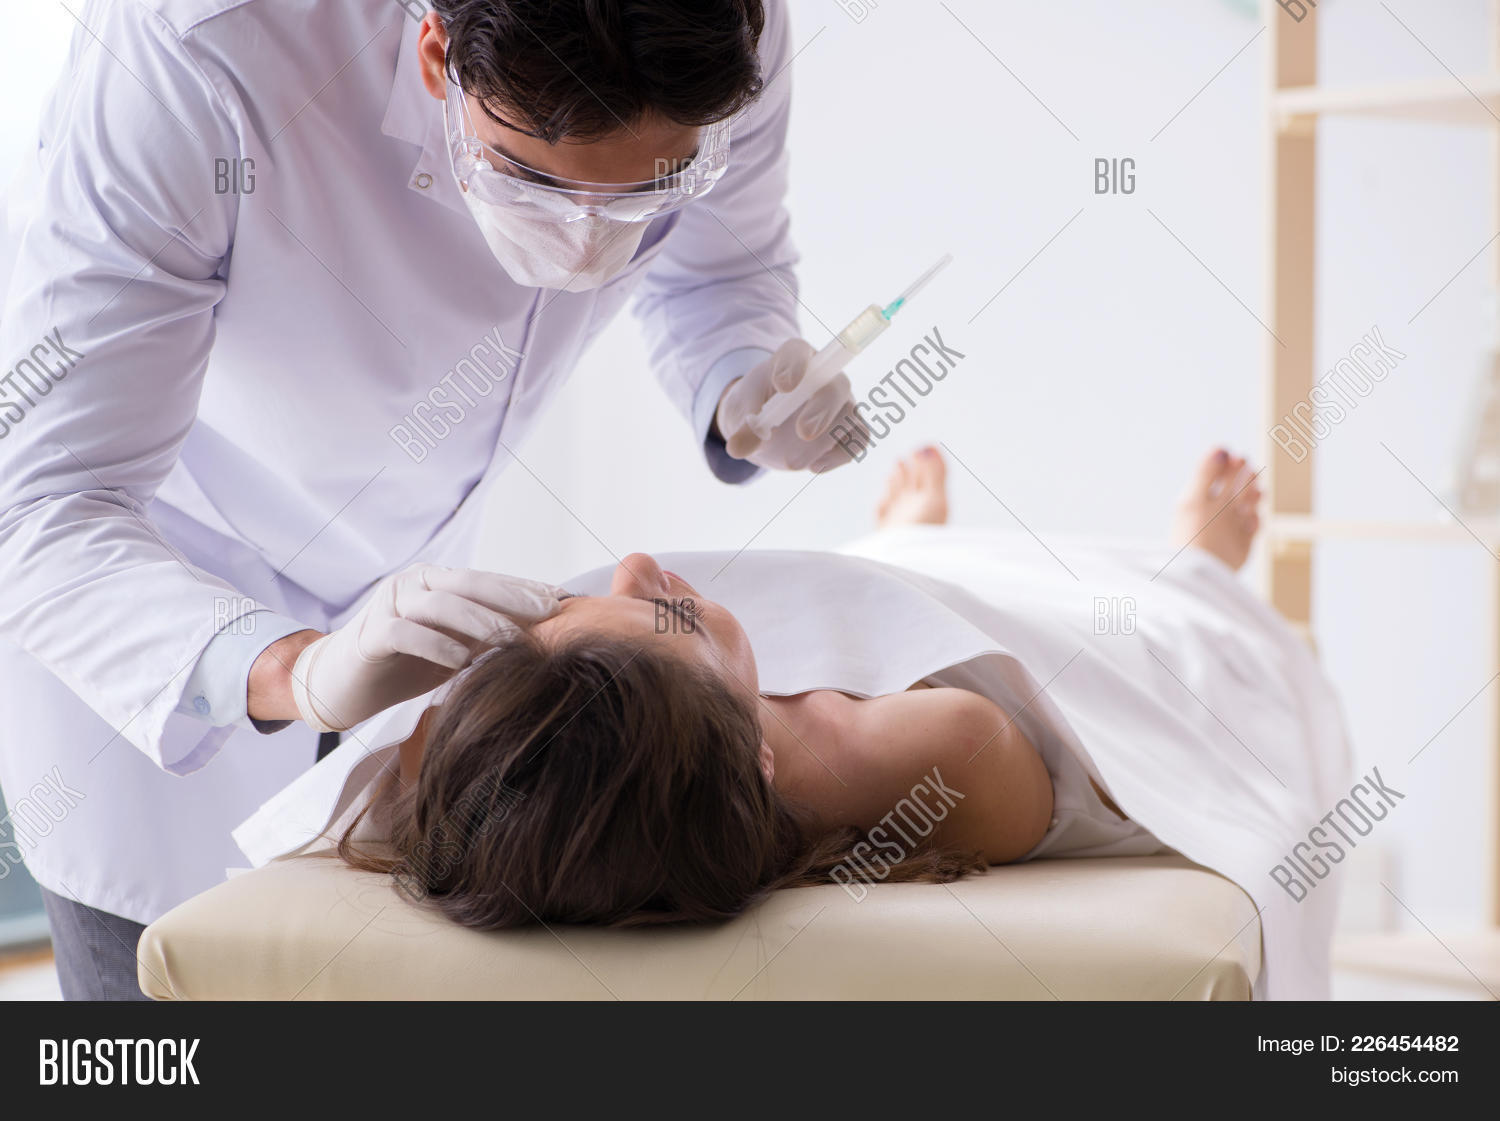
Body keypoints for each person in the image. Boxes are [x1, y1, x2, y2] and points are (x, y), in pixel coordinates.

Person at [0, 0, 862, 999]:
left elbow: (721, 271)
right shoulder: (199, 48)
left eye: (649, 188)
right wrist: (298, 670)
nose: (587, 249)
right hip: (165, 601)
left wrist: (746, 381)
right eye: (532, 179)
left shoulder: (727, 30)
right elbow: (47, 502)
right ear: (436, 51)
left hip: (419, 616)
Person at [321, 446, 1350, 996]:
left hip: (875, 634)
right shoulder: (923, 751)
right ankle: (1197, 567)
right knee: (1136, 617)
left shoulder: (514, 776)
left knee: (880, 575)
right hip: (1029, 681)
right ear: (760, 754)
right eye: (679, 616)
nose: (635, 564)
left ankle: (902, 544)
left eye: (569, 606)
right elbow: (1076, 684)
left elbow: (425, 770)